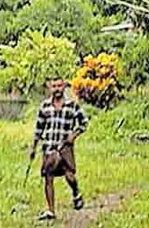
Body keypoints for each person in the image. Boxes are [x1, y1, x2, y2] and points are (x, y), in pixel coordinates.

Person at [29, 78, 88, 221]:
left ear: (64, 87)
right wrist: (33, 147)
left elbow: (84, 122)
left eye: (59, 86)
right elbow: (39, 129)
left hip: (65, 148)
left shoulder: (72, 105)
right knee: (48, 177)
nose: (56, 89)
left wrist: (73, 135)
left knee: (69, 176)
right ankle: (51, 210)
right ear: (50, 88)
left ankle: (76, 192)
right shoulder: (45, 107)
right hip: (49, 147)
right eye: (54, 86)